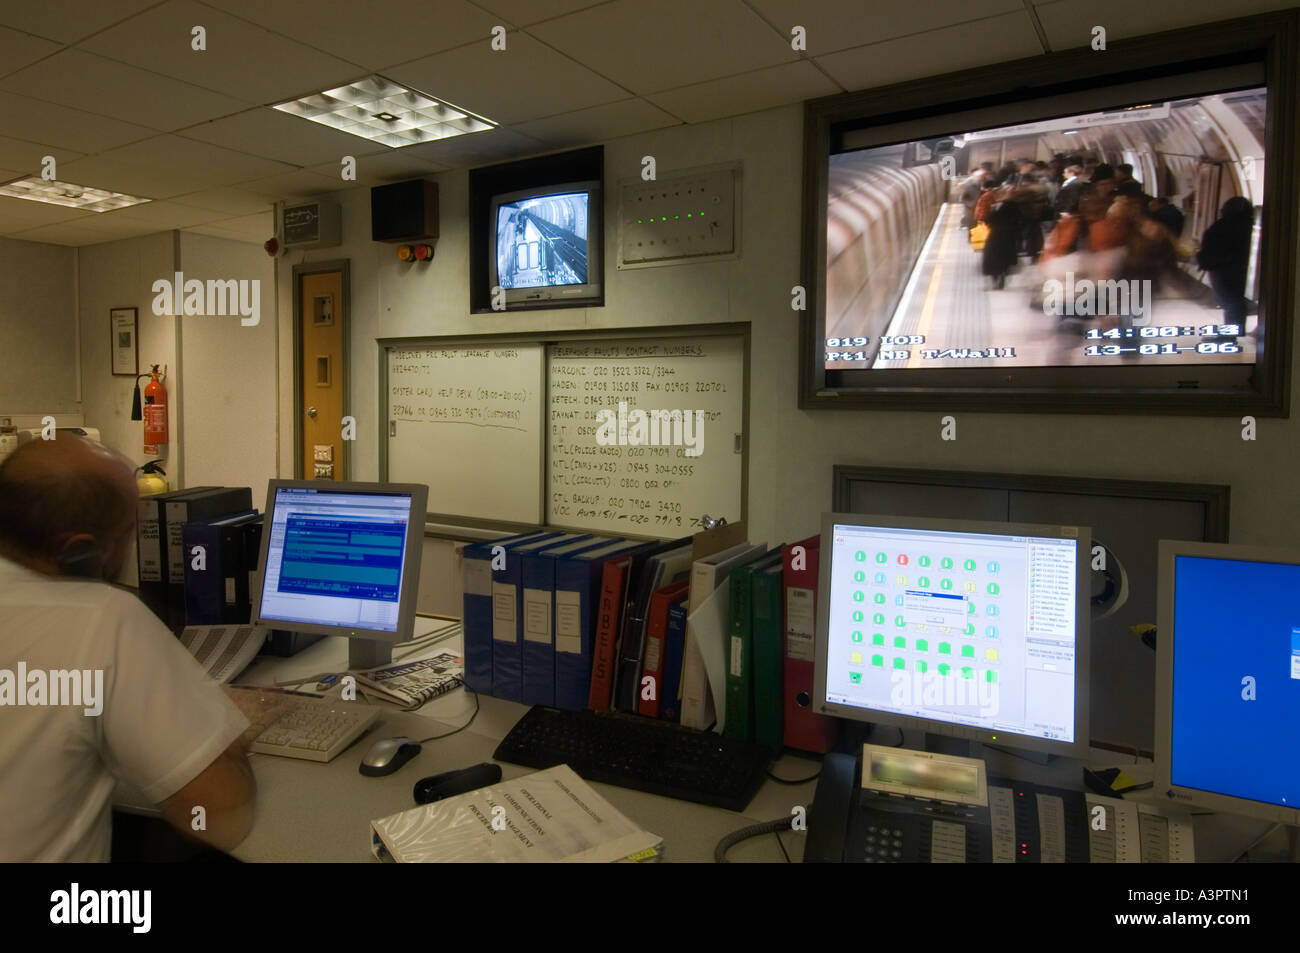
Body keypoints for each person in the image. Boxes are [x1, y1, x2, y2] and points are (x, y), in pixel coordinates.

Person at [0, 436, 257, 861]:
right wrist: (225, 733)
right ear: (78, 549)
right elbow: (218, 814)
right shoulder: (99, 617)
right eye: (129, 536)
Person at [1197, 196, 1255, 328]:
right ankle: (1232, 331)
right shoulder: (1247, 226)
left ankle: (1230, 334)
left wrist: (1203, 259)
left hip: (1222, 268)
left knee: (1230, 301)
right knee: (1234, 300)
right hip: (1237, 267)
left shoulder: (1223, 226)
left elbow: (1213, 245)